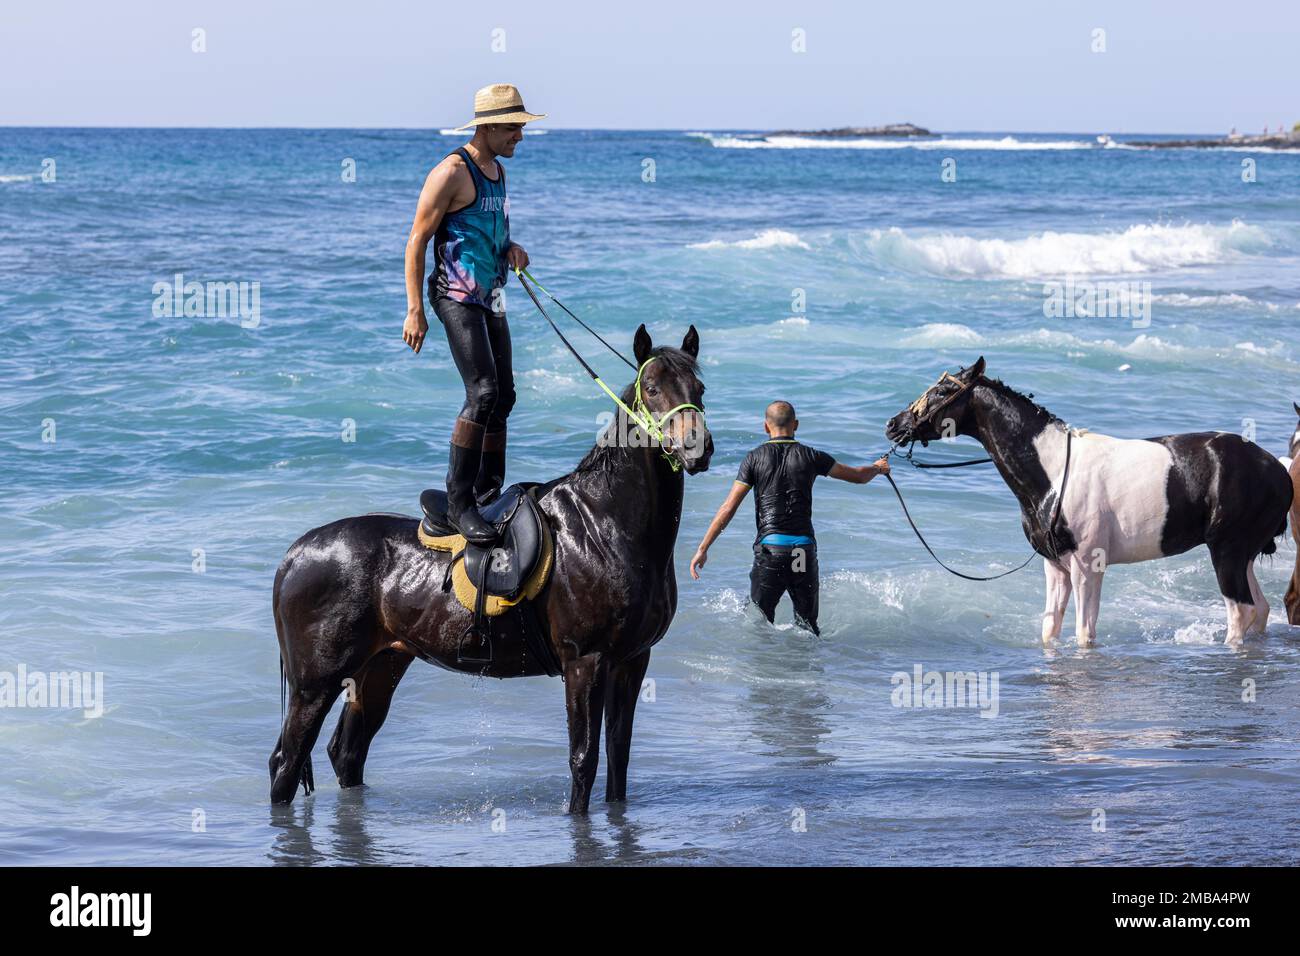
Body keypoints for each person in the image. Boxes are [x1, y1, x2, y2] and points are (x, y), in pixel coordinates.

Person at [402, 84, 545, 544]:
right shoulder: (450, 171)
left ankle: (488, 492)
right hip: (455, 296)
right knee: (482, 392)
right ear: (486, 127)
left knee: (504, 397)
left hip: (493, 296)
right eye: (512, 128)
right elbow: (416, 240)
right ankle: (459, 504)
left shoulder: (497, 172)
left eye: (521, 128)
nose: (519, 137)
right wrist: (415, 310)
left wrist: (512, 248)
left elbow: (490, 231)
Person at [690, 401, 890, 634]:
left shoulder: (754, 458)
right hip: (802, 553)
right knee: (808, 628)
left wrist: (703, 548)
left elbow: (728, 508)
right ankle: (805, 670)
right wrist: (877, 467)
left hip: (770, 553)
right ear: (796, 425)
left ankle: (762, 668)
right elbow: (858, 476)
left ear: (766, 427)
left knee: (759, 627)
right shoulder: (812, 456)